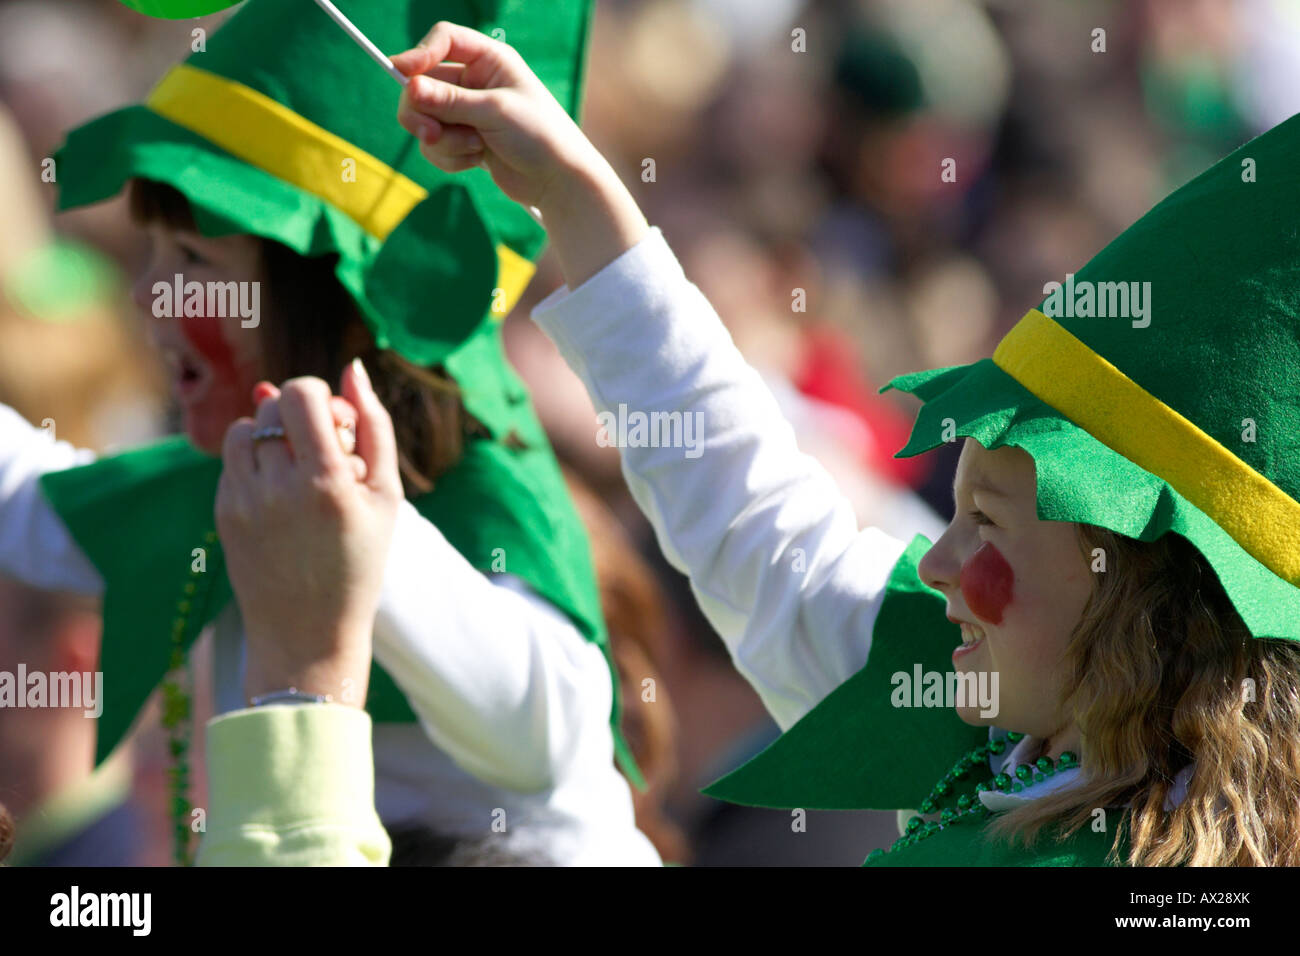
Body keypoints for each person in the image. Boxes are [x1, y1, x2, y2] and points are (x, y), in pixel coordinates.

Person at [391, 21, 1300, 866]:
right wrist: (575, 197)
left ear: (1143, 583)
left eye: (987, 520)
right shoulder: (1002, 703)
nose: (938, 560)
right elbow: (760, 528)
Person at [0, 0, 658, 866]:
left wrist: (346, 542)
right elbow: (31, 506)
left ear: (343, 307)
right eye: (150, 255)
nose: (147, 298)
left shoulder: (493, 506)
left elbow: (543, 726)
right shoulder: (237, 488)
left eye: (194, 263)